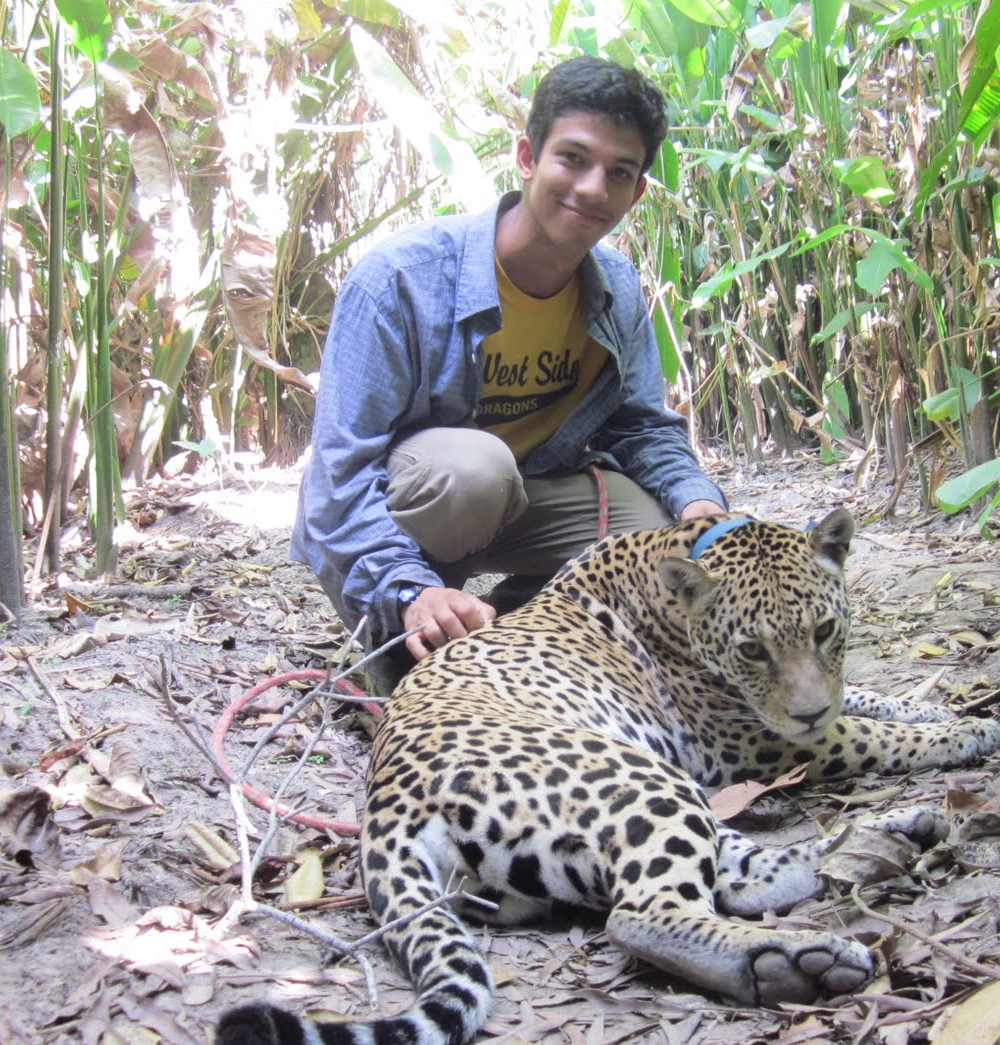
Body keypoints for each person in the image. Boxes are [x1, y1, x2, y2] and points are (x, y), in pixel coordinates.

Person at [291, 55, 727, 690]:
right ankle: (408, 625)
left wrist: (702, 507)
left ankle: (516, 638)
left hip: (533, 492)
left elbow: (641, 430)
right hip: (433, 503)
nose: (591, 189)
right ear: (527, 158)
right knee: (474, 471)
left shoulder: (618, 290)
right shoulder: (400, 281)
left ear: (636, 192)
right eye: (572, 159)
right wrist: (408, 589)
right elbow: (338, 476)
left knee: (659, 549)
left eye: (619, 172)